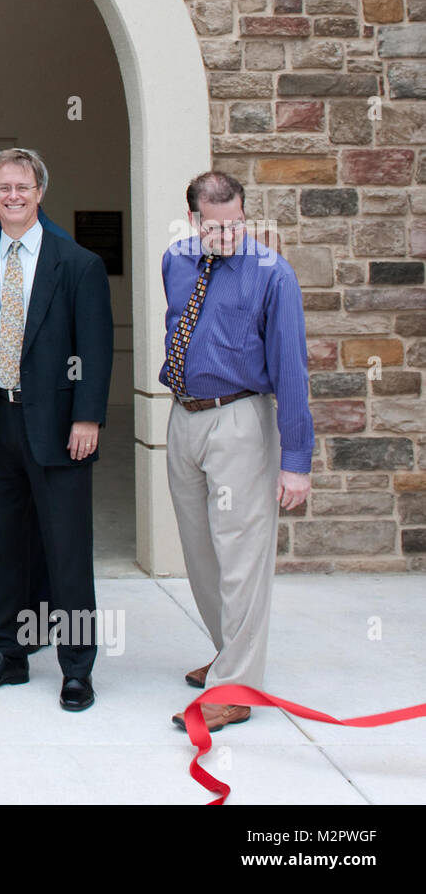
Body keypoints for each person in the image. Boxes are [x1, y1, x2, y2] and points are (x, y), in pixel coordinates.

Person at [0, 148, 112, 711]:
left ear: (40, 193)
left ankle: (76, 668)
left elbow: (95, 348)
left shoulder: (78, 265)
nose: (12, 196)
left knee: (66, 551)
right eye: (2, 188)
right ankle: (5, 655)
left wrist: (87, 416)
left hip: (60, 429)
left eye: (22, 187)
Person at [164, 171, 313, 733]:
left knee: (242, 556)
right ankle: (229, 656)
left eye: (237, 223)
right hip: (184, 416)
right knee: (200, 552)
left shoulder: (273, 275)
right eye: (215, 225)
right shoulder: (175, 261)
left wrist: (296, 462)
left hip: (240, 419)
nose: (227, 233)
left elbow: (292, 371)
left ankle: (238, 688)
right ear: (194, 220)